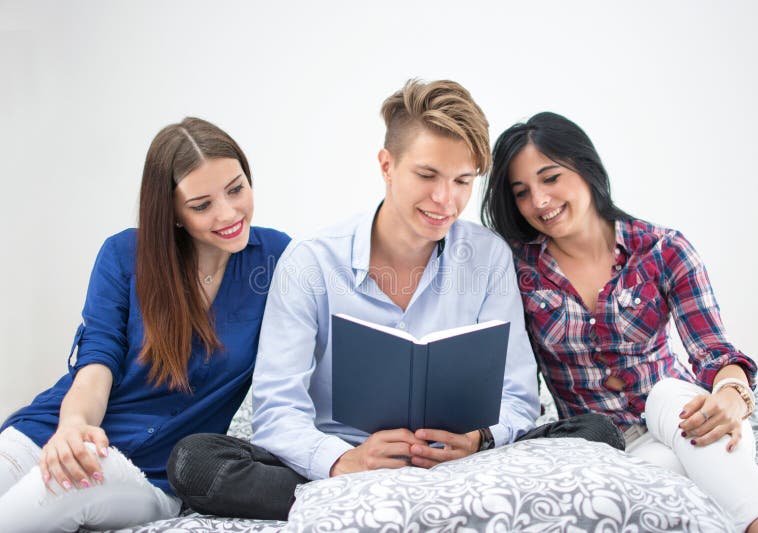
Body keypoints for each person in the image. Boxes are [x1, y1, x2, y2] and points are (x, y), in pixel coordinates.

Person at [168, 80, 623, 520]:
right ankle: (371, 494)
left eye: (463, 181)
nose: (446, 199)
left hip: (464, 459)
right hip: (345, 457)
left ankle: (355, 501)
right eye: (427, 175)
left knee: (597, 433)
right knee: (195, 460)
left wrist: (480, 438)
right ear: (386, 165)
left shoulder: (487, 256)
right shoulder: (310, 260)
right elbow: (277, 408)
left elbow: (519, 396)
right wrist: (342, 461)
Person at [481, 111, 758, 532]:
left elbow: (712, 351)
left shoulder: (663, 249)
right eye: (522, 192)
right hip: (608, 449)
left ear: (585, 167)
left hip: (686, 418)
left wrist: (732, 395)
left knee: (670, 400)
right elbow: (507, 373)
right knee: (663, 474)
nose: (539, 201)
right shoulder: (517, 270)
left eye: (550, 178)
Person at [0, 117, 290, 532]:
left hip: (150, 474)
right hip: (52, 429)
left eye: (236, 189)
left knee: (63, 488)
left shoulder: (277, 259)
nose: (229, 213)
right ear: (171, 211)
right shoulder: (123, 255)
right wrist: (73, 428)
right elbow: (96, 362)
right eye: (202, 205)